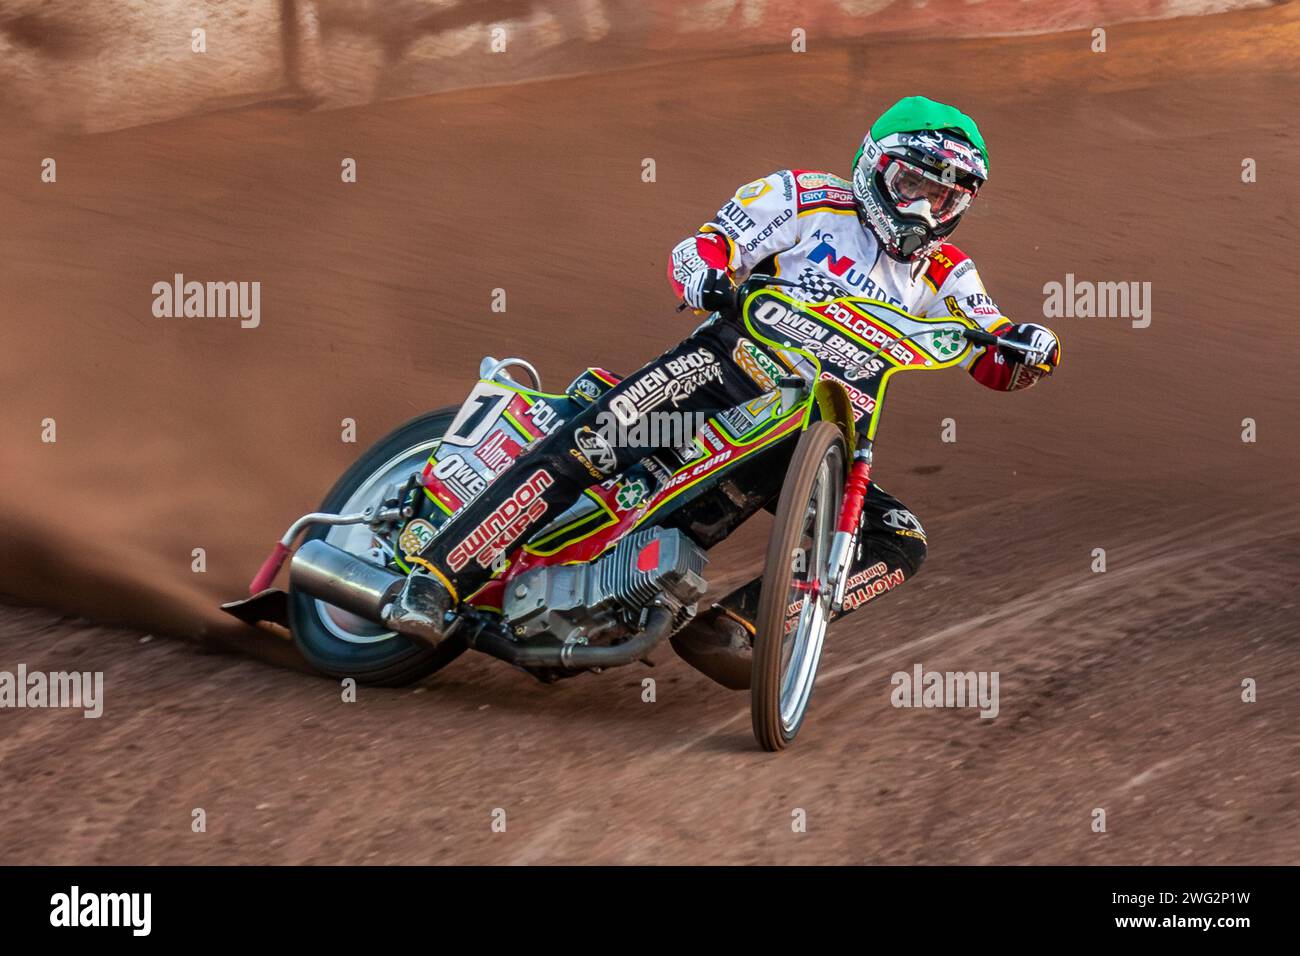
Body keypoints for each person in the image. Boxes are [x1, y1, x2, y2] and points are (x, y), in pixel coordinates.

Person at [386, 95, 1061, 651]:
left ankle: (740, 632)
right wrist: (706, 273)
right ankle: (435, 579)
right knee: (597, 443)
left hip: (808, 428)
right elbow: (706, 244)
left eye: (942, 199)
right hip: (727, 369)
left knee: (901, 540)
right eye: (911, 185)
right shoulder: (804, 196)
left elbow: (990, 346)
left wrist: (1028, 350)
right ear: (873, 165)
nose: (921, 210)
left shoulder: (948, 271)